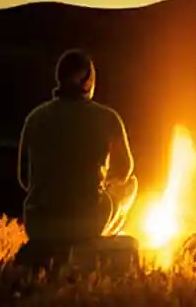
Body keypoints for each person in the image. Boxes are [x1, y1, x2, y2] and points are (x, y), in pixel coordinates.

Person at [17, 49, 138, 244]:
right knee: (130, 185)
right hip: (87, 222)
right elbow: (124, 170)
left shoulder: (35, 118)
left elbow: (24, 178)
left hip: (39, 224)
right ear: (88, 80)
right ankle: (98, 241)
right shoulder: (108, 118)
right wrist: (99, 184)